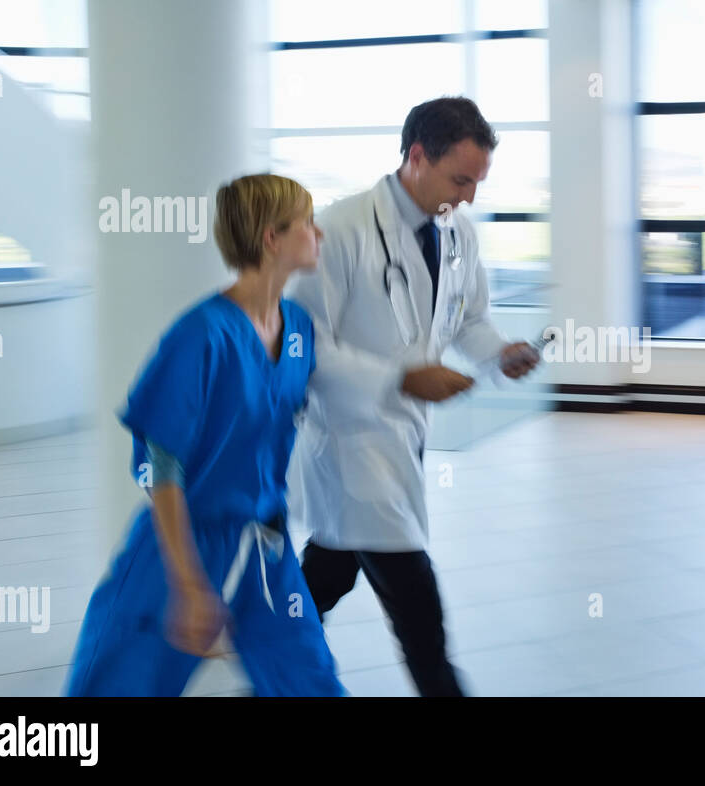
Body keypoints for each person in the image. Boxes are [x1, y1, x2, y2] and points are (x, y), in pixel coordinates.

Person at [287, 96, 541, 697]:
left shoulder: (456, 234)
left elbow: (467, 320)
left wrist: (500, 352)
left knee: (330, 568)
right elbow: (303, 346)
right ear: (417, 157)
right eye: (461, 180)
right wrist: (399, 378)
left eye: (478, 183)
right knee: (420, 617)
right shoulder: (340, 230)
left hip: (403, 440)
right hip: (350, 441)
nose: (470, 197)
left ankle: (272, 655)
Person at [66, 174, 345, 697]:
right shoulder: (200, 336)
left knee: (309, 678)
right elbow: (162, 467)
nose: (318, 233)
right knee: (115, 687)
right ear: (272, 238)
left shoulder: (300, 329)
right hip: (180, 546)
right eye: (307, 223)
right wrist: (189, 584)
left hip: (265, 548)